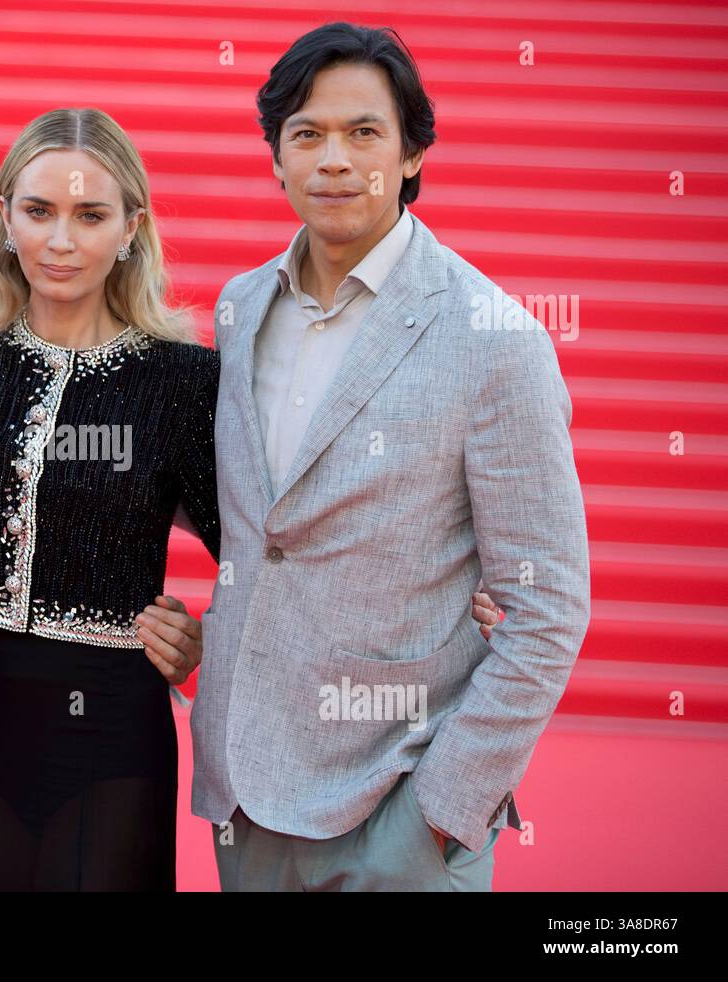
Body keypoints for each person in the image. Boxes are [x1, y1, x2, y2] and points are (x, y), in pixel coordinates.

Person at [0, 107, 501, 891]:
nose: (61, 241)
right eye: (38, 211)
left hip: (113, 740)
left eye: (90, 215)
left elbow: (266, 550)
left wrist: (205, 637)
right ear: (4, 216)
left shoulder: (184, 379)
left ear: (131, 227)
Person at [192, 23, 591, 892]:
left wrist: (445, 807)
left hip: (398, 812)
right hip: (248, 798)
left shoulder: (495, 342)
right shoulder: (239, 307)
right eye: (307, 134)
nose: (334, 159)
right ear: (277, 160)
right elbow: (253, 516)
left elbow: (548, 606)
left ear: (411, 156)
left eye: (364, 133)